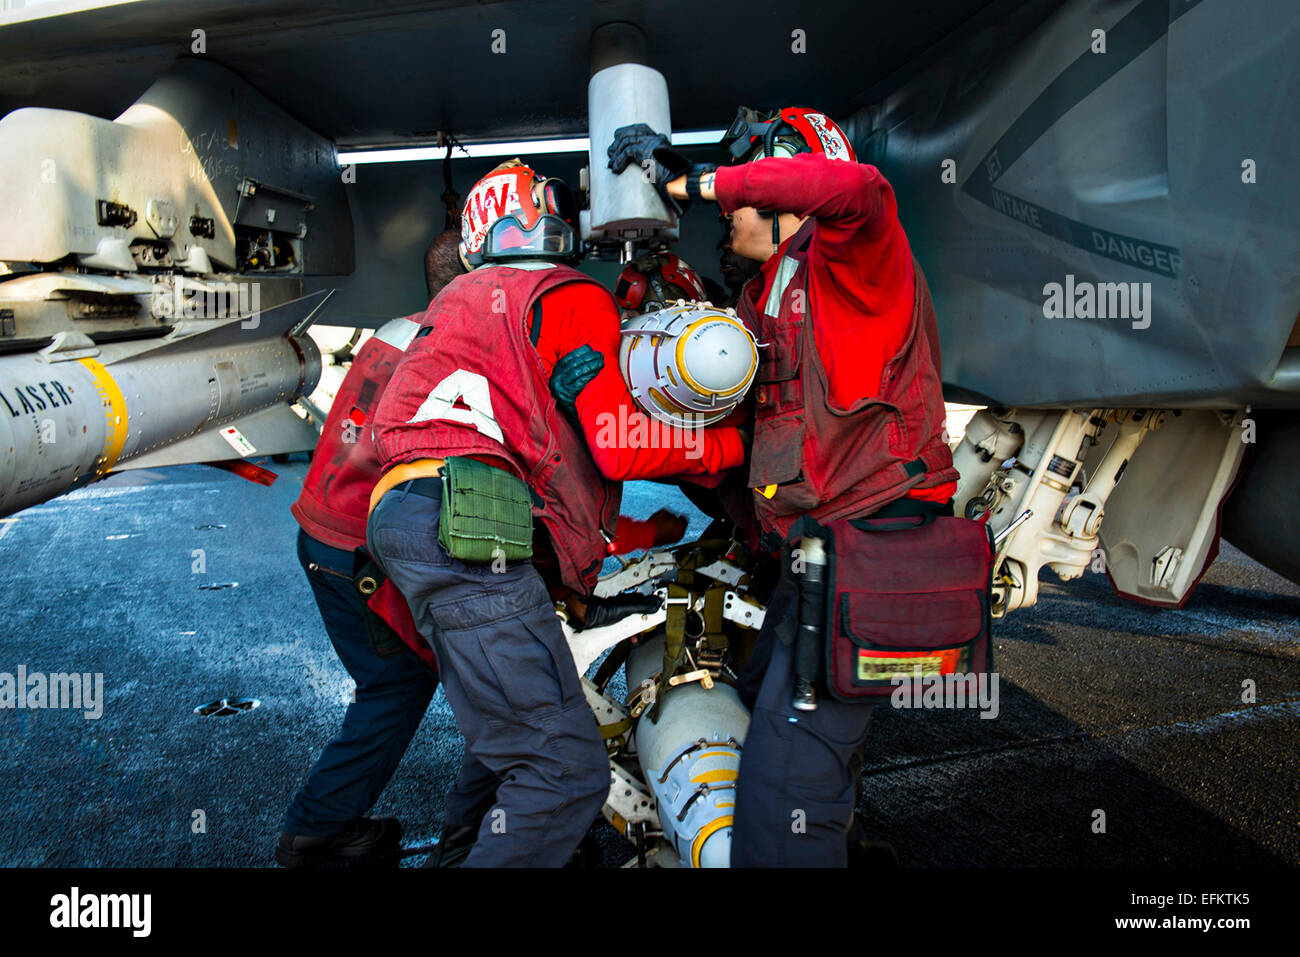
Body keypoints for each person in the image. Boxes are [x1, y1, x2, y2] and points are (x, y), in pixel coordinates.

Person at [366, 159, 747, 867]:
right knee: (566, 771)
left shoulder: (460, 299)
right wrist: (729, 446)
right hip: (468, 521)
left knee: (508, 735)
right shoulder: (568, 294)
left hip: (409, 513)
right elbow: (619, 447)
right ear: (558, 224)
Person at [609, 107, 959, 866]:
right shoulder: (768, 295)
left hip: (878, 549)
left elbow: (856, 187)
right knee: (766, 688)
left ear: (788, 194)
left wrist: (692, 178)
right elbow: (746, 445)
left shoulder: (859, 256)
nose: (725, 215)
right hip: (822, 561)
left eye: (742, 196)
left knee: (782, 786)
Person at [276, 230, 500, 868]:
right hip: (359, 548)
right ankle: (315, 831)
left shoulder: (396, 328)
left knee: (402, 678)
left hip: (324, 529)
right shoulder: (460, 347)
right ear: (478, 278)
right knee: (403, 682)